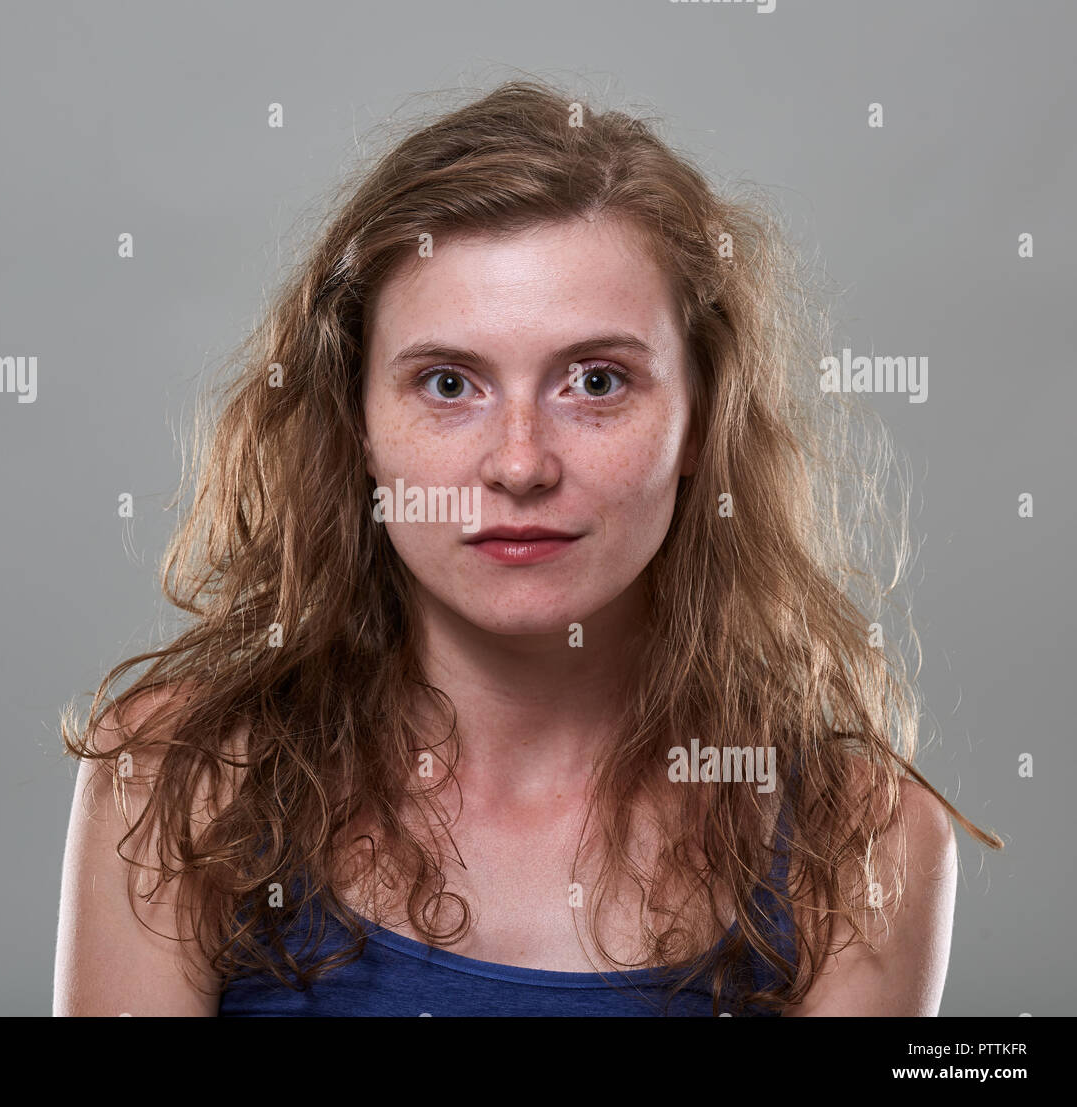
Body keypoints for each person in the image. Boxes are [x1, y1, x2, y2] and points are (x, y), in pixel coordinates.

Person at [52, 78, 1001, 1017]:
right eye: (449, 383)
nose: (518, 464)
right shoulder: (176, 776)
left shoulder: (861, 842)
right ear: (357, 424)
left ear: (702, 423)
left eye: (595, 381)